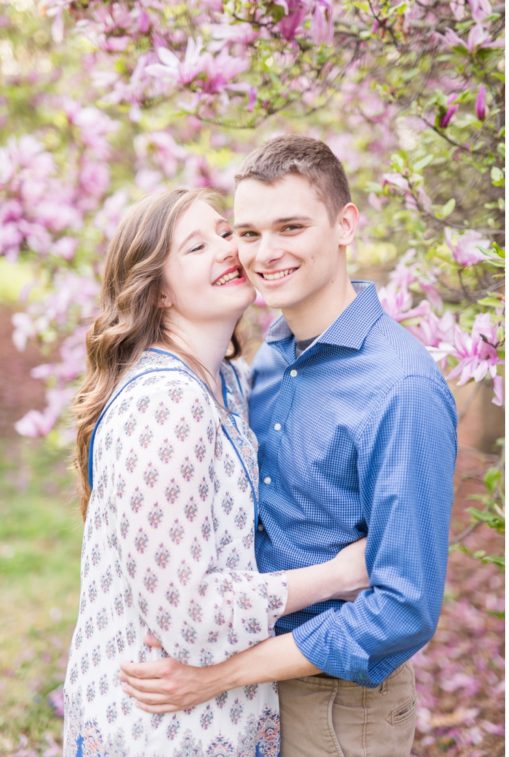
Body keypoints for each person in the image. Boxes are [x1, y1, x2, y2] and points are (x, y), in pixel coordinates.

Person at [119, 137, 459, 756]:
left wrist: (216, 677)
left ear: (344, 225)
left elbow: (403, 608)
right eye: (247, 234)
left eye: (291, 227)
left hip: (335, 705)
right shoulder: (271, 353)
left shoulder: (399, 385)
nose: (265, 254)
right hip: (246, 693)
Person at [63, 188, 371, 756]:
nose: (229, 250)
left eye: (227, 233)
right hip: (160, 729)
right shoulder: (165, 402)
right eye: (197, 246)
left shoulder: (226, 382)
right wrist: (339, 575)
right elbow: (189, 616)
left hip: (218, 718)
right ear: (156, 293)